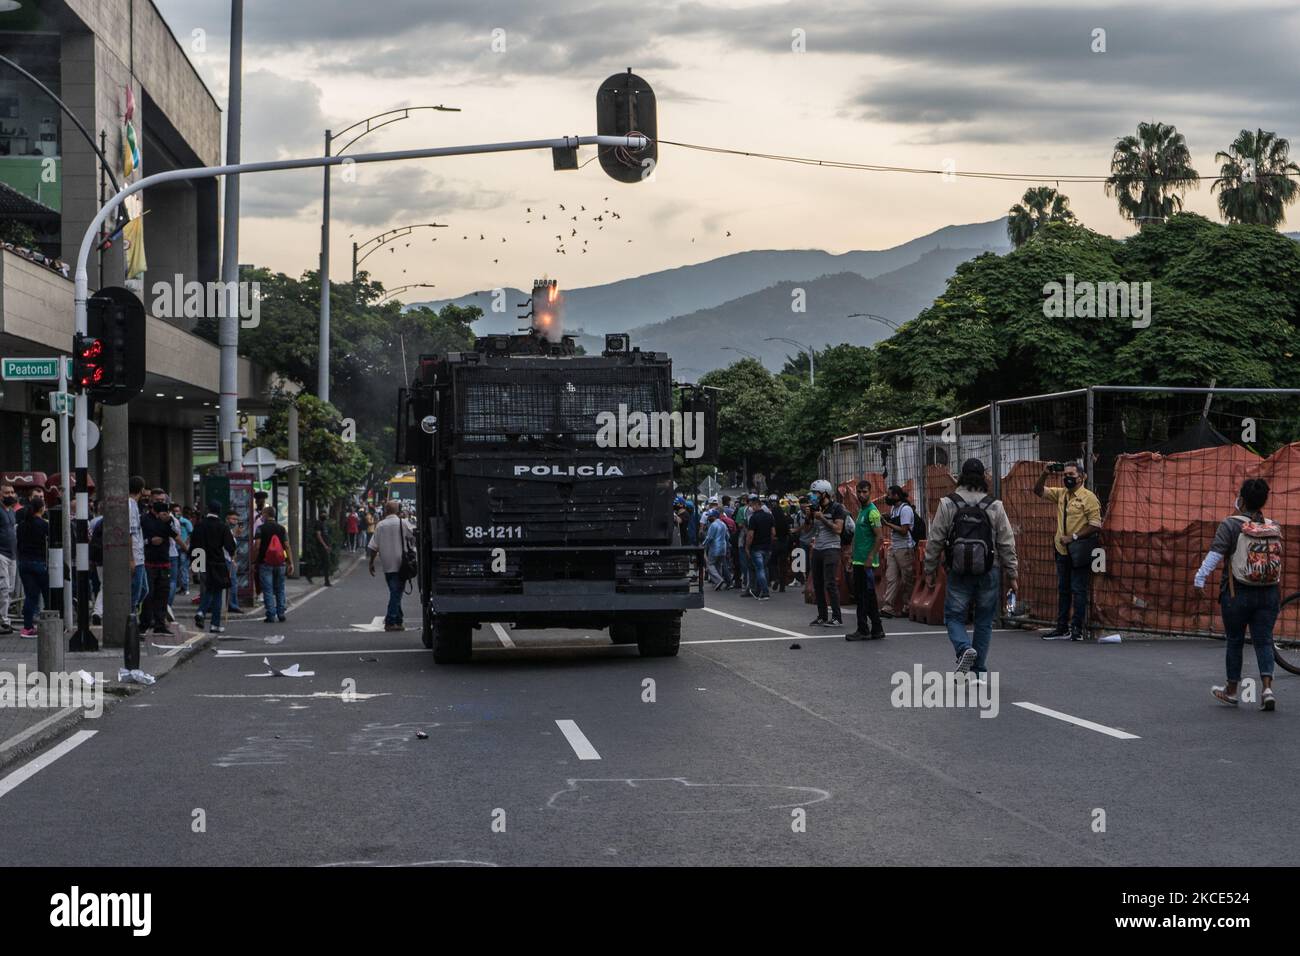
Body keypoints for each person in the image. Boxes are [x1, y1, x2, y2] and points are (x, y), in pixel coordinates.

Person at [925, 459, 1018, 677]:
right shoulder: (994, 505)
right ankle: (979, 671)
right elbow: (1006, 542)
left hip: (958, 571)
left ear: (961, 477)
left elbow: (935, 539)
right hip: (989, 570)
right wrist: (1013, 574)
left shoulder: (948, 503)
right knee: (984, 620)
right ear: (984, 477)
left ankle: (964, 648)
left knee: (954, 617)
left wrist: (929, 569)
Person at [1195, 477, 1281, 711]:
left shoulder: (1231, 525)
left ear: (1241, 499)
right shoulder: (1273, 526)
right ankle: (1267, 689)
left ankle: (1232, 690)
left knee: (1235, 641)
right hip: (1269, 593)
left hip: (1237, 593)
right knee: (1264, 640)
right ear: (1264, 500)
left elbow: (1215, 555)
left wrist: (1200, 578)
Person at [1034, 461, 1102, 641]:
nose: (1067, 478)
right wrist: (1045, 474)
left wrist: (1074, 537)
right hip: (1061, 550)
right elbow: (1038, 491)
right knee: (1063, 589)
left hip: (1078, 550)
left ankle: (1077, 629)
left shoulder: (1089, 497)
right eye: (1065, 475)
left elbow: (1095, 525)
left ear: (1082, 477)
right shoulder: (1062, 494)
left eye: (1071, 475)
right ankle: (1061, 627)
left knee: (1078, 590)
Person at [846, 480, 886, 640]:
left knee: (863, 596)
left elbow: (880, 537)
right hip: (859, 560)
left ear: (870, 492)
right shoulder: (861, 511)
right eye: (859, 492)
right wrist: (851, 555)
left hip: (866, 563)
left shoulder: (872, 512)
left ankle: (863, 629)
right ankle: (876, 628)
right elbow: (857, 536)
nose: (861, 495)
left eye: (865, 492)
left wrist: (870, 557)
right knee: (866, 596)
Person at [368, 501, 414, 631]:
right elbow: (413, 537)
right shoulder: (403, 523)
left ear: (386, 511)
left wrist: (371, 562)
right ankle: (390, 620)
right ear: (398, 511)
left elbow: (373, 547)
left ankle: (398, 620)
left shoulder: (380, 525)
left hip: (387, 564)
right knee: (396, 592)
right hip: (401, 563)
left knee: (395, 591)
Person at [140, 493, 182, 635]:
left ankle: (160, 623)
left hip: (165, 561)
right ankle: (145, 623)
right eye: (157, 500)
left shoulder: (170, 520)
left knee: (163, 594)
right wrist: (150, 541)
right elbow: (137, 538)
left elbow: (176, 535)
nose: (160, 503)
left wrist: (169, 519)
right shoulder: (144, 519)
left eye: (162, 501)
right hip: (148, 562)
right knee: (148, 594)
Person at [806, 478, 846, 627]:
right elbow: (808, 529)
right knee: (817, 583)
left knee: (830, 583)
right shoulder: (815, 508)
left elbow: (838, 529)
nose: (813, 496)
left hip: (831, 548)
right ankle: (822, 616)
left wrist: (822, 518)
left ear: (825, 494)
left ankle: (836, 617)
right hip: (818, 548)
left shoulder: (836, 508)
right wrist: (808, 516)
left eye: (815, 493)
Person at [191, 505, 236, 634]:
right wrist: (232, 554)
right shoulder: (222, 526)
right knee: (217, 591)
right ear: (219, 512)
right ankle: (211, 621)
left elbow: (195, 544)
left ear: (208, 511)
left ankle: (205, 616)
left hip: (202, 560)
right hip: (218, 562)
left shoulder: (200, 525)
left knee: (209, 588)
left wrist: (194, 564)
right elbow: (230, 546)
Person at [15, 495, 49, 637]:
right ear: (42, 508)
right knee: (48, 594)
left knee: (30, 596)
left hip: (23, 563)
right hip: (39, 563)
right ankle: (51, 623)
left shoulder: (21, 526)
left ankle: (27, 628)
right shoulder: (43, 524)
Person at [252, 506, 293, 623]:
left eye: (263, 514)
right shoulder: (281, 529)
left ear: (266, 514)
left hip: (265, 563)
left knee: (268, 589)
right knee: (280, 588)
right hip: (280, 563)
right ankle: (281, 613)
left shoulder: (260, 528)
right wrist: (290, 562)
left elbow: (257, 546)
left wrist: (253, 561)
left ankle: (270, 614)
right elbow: (287, 546)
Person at [880, 485, 916, 618]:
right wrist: (887, 518)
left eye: (889, 495)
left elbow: (904, 530)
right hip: (894, 547)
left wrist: (887, 524)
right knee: (891, 578)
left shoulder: (905, 509)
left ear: (896, 495)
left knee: (907, 578)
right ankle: (888, 607)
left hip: (904, 548)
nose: (887, 497)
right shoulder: (894, 509)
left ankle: (908, 606)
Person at [746, 493, 775, 600]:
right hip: (767, 547)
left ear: (755, 505)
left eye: (752, 506)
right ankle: (760, 590)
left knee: (760, 569)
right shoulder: (769, 517)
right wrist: (770, 543)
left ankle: (765, 592)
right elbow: (773, 533)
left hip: (756, 548)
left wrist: (747, 547)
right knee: (763, 568)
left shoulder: (753, 518)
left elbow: (750, 535)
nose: (751, 508)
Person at [0, 481, 17, 635]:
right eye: (7, 493)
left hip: (12, 555)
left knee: (10, 589)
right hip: (2, 555)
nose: (11, 495)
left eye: (12, 492)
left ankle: (5, 620)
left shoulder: (11, 512)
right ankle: (4, 621)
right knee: (4, 588)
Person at [224, 509, 246, 613]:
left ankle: (232, 603)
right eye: (233, 519)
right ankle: (232, 604)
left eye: (237, 519)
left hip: (229, 559)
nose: (235, 521)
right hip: (226, 559)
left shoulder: (231, 532)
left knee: (233, 582)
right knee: (232, 582)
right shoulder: (225, 530)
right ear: (227, 519)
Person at [305, 509, 334, 586]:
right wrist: (324, 545)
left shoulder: (324, 524)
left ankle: (310, 575)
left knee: (322, 564)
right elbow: (318, 535)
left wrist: (329, 545)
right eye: (323, 514)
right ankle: (326, 581)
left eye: (325, 514)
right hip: (321, 546)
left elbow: (327, 536)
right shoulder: (318, 524)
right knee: (325, 563)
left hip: (326, 546)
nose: (325, 516)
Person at [703, 511, 730, 590]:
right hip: (723, 547)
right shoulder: (723, 524)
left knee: (710, 564)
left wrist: (703, 544)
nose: (708, 518)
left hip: (715, 548)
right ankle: (718, 583)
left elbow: (709, 537)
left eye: (710, 516)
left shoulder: (713, 525)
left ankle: (718, 580)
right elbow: (727, 536)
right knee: (718, 565)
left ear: (714, 516)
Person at [771, 494, 792, 593]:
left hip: (776, 541)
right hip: (785, 541)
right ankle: (782, 585)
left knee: (772, 562)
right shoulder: (784, 516)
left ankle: (776, 578)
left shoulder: (772, 517)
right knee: (783, 564)